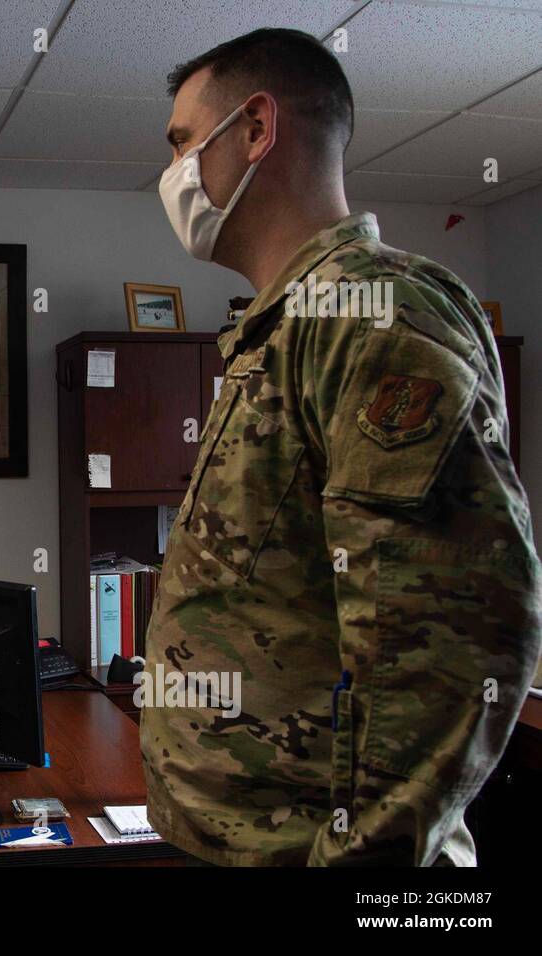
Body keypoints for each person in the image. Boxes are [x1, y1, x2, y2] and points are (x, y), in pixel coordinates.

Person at [142, 28, 542, 865]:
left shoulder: (373, 316)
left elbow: (444, 650)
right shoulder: (286, 327)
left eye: (183, 143)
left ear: (256, 127)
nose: (173, 174)